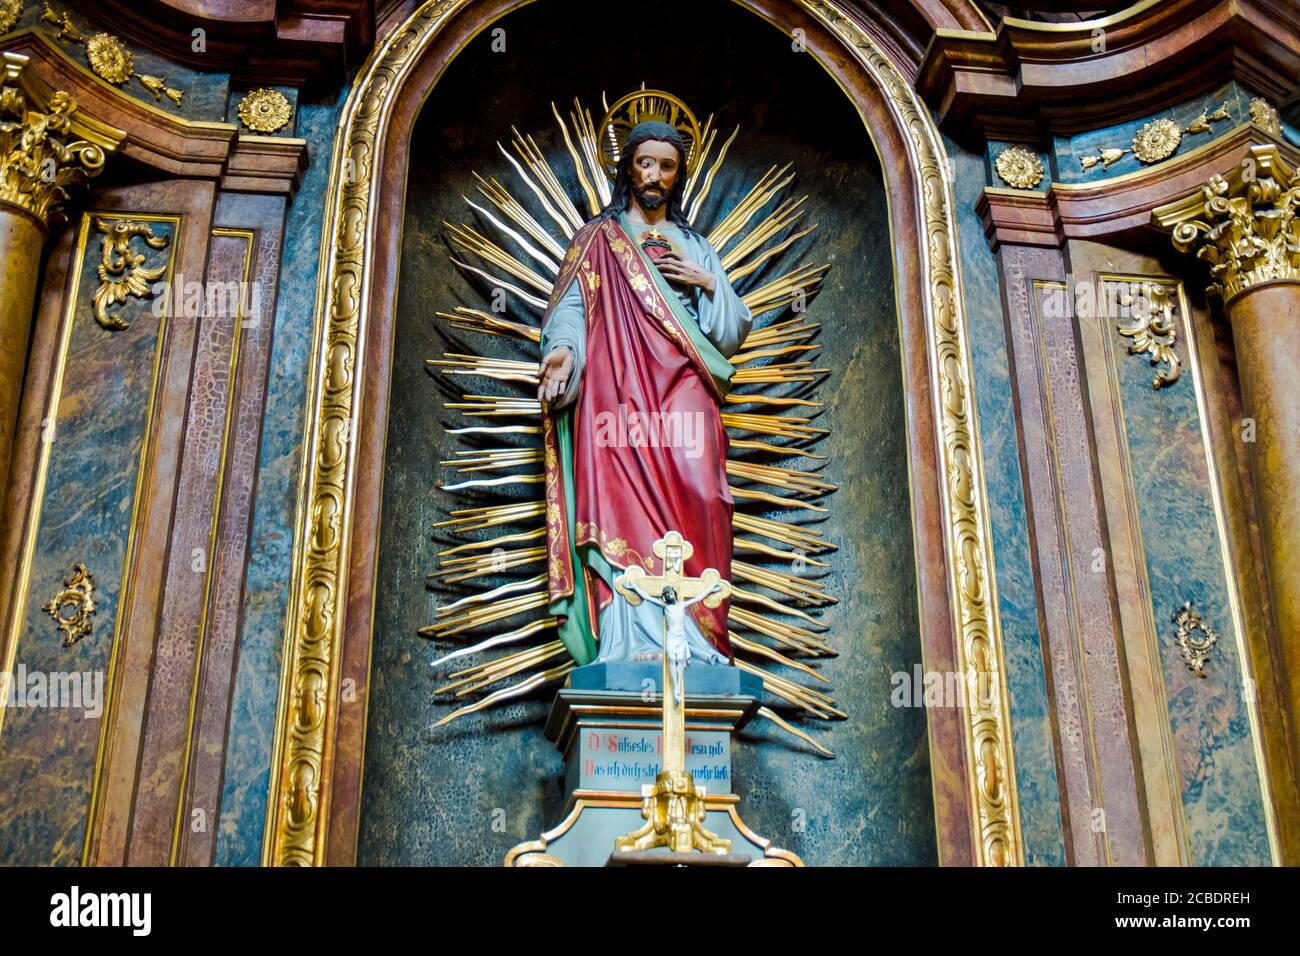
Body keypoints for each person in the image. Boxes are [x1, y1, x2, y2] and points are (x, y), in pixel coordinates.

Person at [537, 120, 751, 667]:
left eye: (667, 166)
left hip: (685, 389)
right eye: (645, 163)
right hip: (617, 395)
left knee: (704, 491)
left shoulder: (696, 245)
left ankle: (697, 642)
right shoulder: (597, 241)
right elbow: (570, 309)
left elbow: (730, 332)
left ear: (679, 175)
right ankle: (626, 640)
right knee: (618, 502)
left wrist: (706, 282)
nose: (655, 175)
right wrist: (563, 353)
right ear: (628, 168)